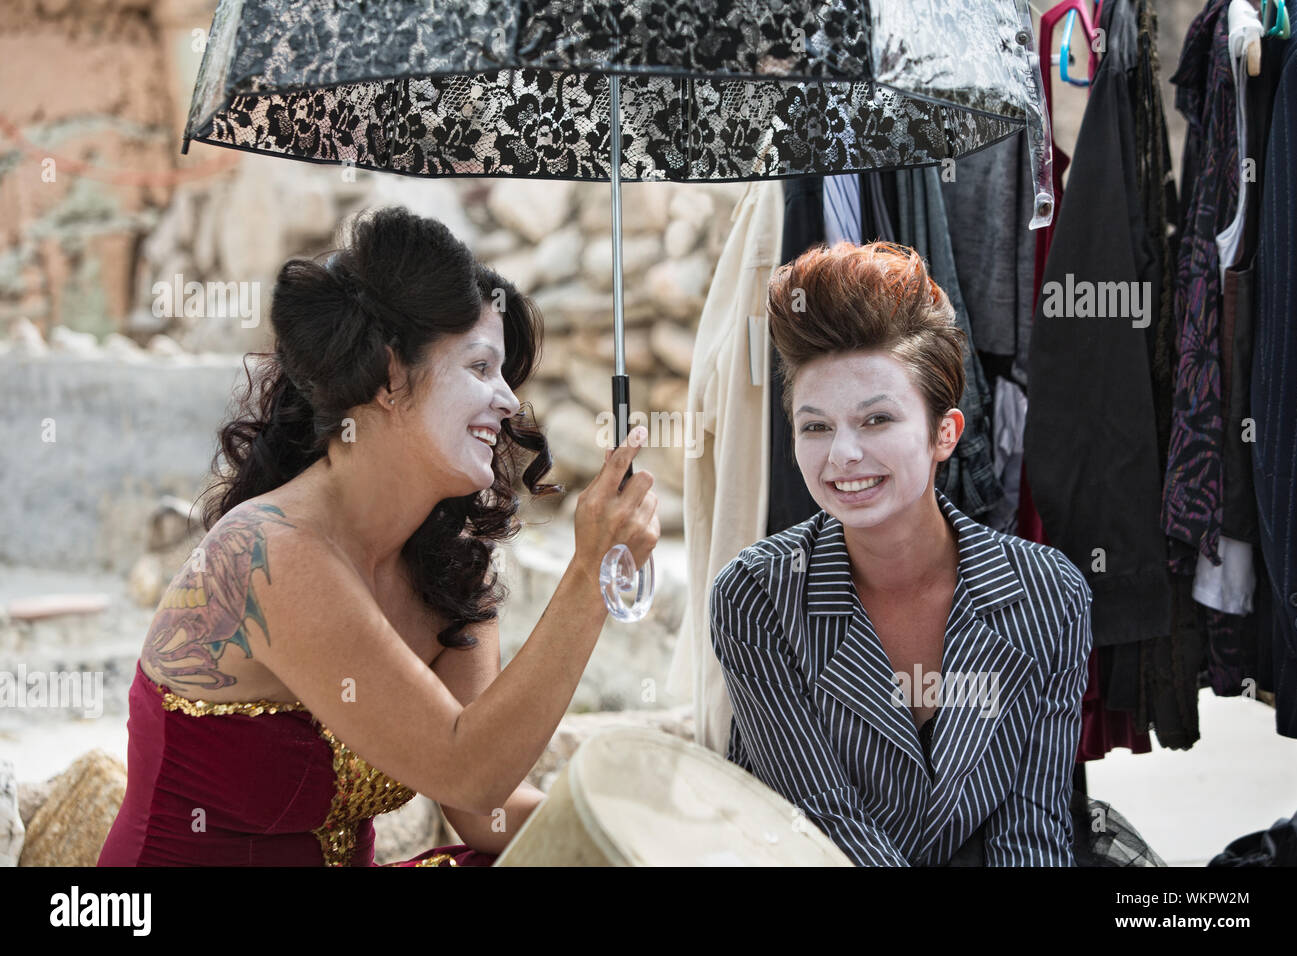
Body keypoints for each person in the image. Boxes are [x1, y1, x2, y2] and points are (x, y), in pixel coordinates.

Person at [98, 206, 660, 866]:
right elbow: (466, 766)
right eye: (480, 368)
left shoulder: (451, 570)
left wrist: (634, 838)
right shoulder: (268, 552)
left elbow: (486, 810)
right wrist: (590, 574)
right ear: (392, 378)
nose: (509, 401)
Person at [709, 241, 1093, 866]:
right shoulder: (757, 595)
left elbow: (1033, 824)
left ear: (946, 434)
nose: (843, 455)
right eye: (815, 426)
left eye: (877, 420)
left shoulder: (1048, 593)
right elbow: (818, 816)